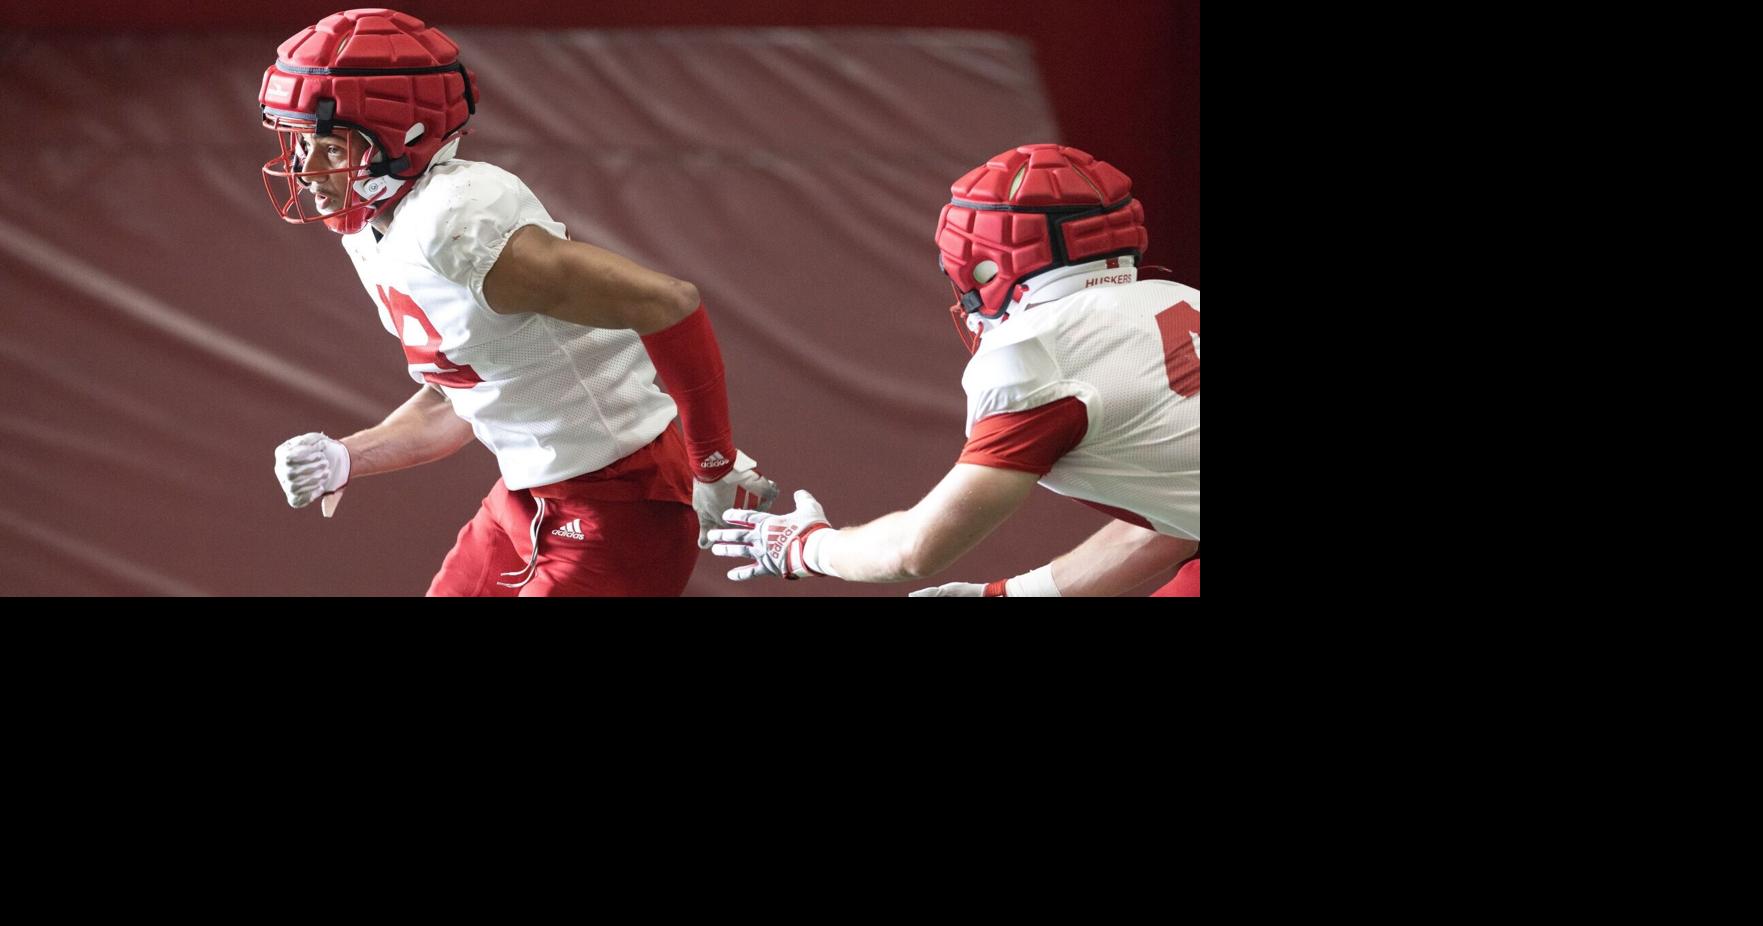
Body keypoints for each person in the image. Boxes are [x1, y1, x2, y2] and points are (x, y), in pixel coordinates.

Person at [262, 9, 776, 596]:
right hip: (527, 497)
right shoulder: (376, 232)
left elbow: (668, 303)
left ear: (403, 138)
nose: (304, 170)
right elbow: (465, 391)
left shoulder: (453, 220)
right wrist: (348, 458)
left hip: (621, 504)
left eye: (328, 146)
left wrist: (711, 460)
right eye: (299, 143)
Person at [711, 144, 1198, 597]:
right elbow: (1178, 516)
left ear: (985, 262)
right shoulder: (1181, 298)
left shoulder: (1037, 350)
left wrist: (807, 547)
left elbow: (916, 550)